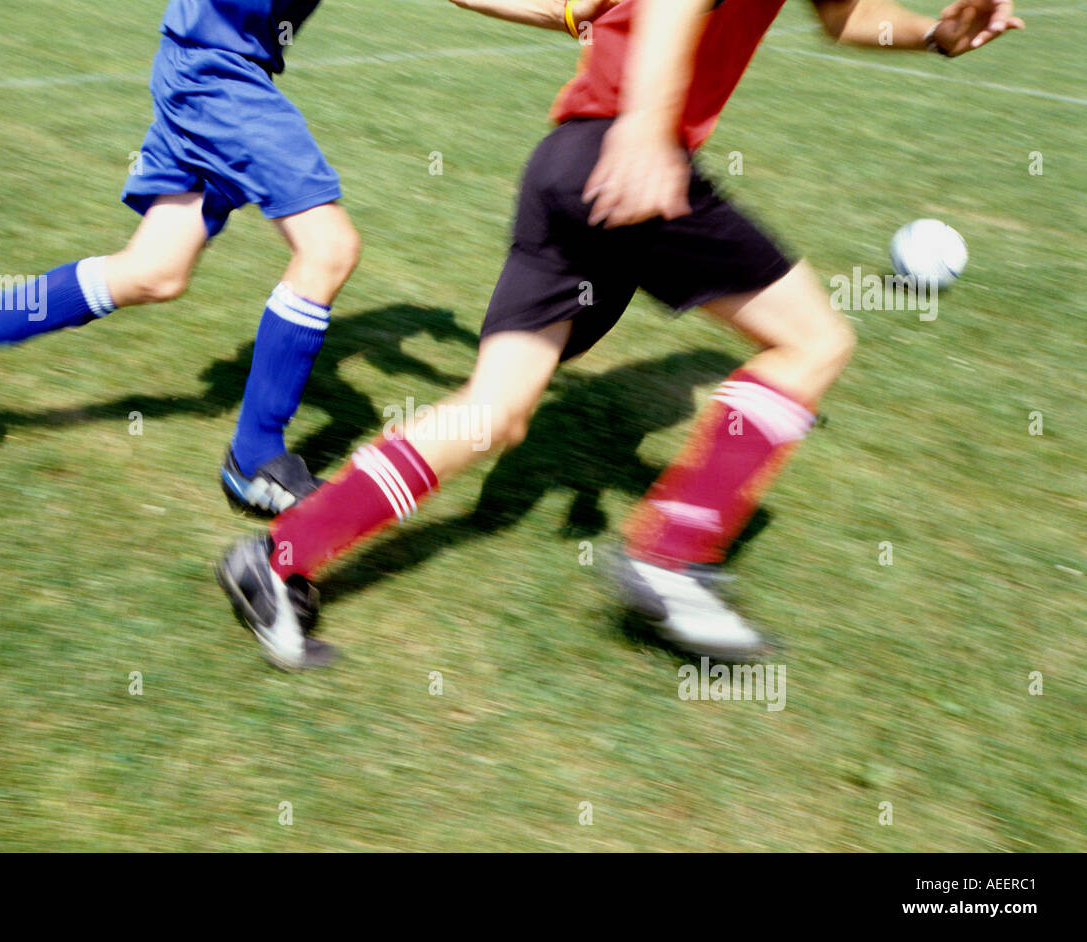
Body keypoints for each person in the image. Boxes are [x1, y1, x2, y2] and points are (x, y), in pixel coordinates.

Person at [217, 0, 1024, 669]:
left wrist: (936, 34)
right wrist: (645, 127)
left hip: (568, 164)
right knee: (812, 343)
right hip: (625, 152)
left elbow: (842, 15)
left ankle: (279, 559)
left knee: (496, 410)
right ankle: (671, 556)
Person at [0, 0, 361, 516]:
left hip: (210, 66)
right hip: (216, 74)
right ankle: (254, 458)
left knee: (154, 272)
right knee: (329, 248)